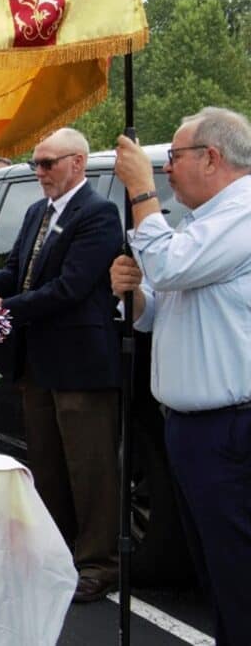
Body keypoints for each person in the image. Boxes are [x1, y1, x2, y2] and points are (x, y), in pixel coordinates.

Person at [109, 107, 251, 644]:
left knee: (237, 575)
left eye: (174, 157)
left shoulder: (243, 212)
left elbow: (171, 265)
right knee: (215, 571)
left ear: (211, 158)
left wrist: (142, 196)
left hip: (229, 428)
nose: (165, 169)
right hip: (193, 428)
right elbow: (160, 313)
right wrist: (134, 293)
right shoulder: (205, 222)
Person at [0, 127, 122, 603]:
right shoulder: (38, 211)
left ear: (78, 162)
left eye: (48, 163)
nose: (40, 172)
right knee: (47, 463)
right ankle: (58, 549)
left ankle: (99, 562)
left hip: (80, 361)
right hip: (38, 362)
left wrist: (2, 308)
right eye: (36, 164)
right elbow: (21, 268)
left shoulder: (98, 214)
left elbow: (71, 287)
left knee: (90, 466)